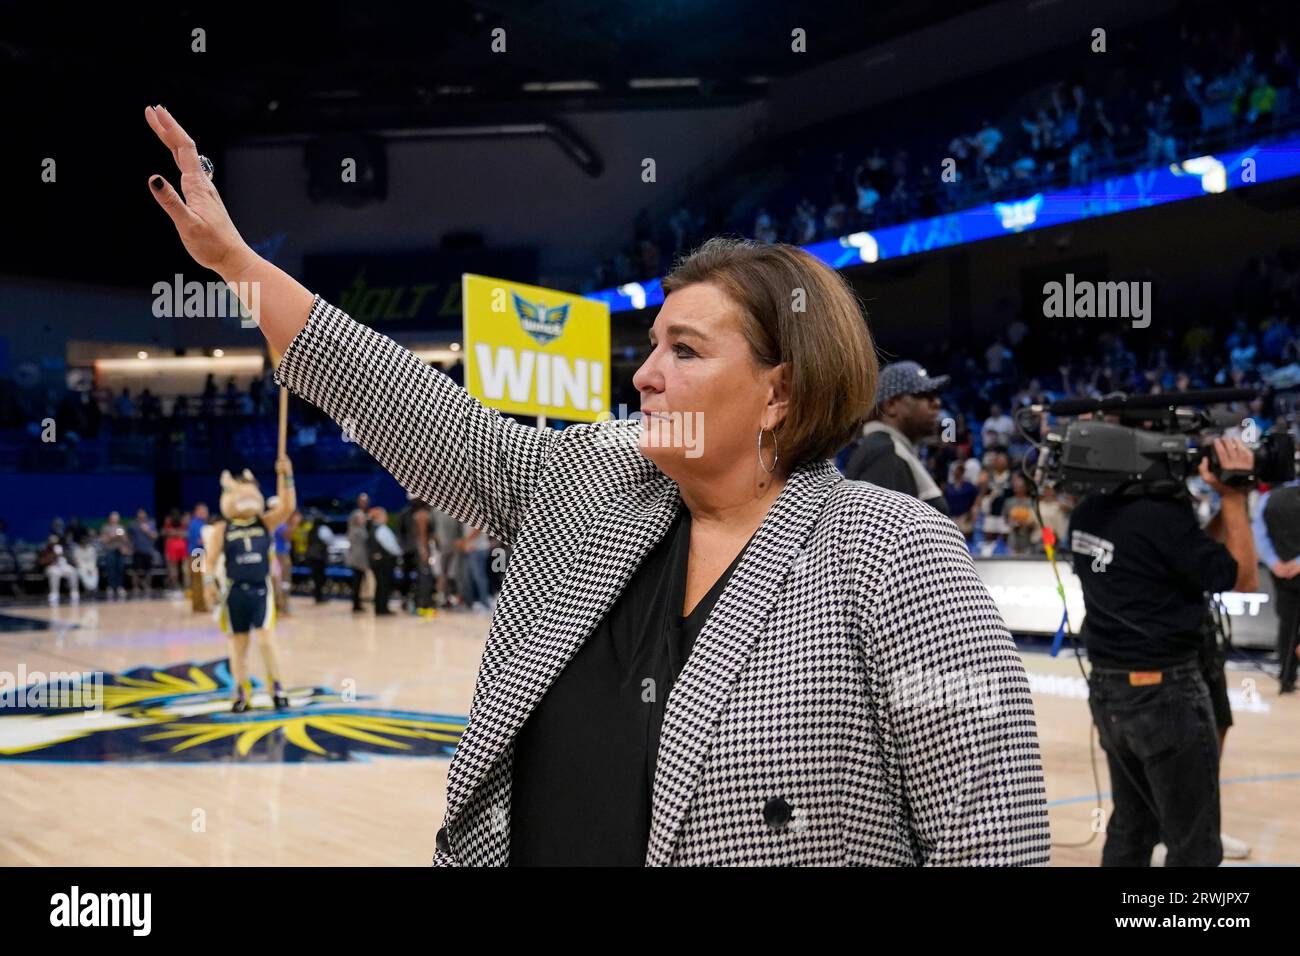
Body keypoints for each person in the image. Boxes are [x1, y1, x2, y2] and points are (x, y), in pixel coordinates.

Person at [147, 106, 1050, 866]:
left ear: (780, 391)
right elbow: (408, 403)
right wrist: (241, 269)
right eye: (652, 345)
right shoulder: (587, 485)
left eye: (685, 350)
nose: (645, 374)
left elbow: (989, 834)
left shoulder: (891, 550)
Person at [1067, 437, 1259, 867]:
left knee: (1131, 827)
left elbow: (1186, 554)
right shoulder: (1161, 518)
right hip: (1165, 692)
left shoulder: (1088, 513)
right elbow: (1244, 578)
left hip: (1109, 689)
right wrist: (1233, 496)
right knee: (1193, 842)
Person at [203, 458, 296, 712]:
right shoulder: (223, 528)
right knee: (238, 646)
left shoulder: (264, 522)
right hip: (234, 592)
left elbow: (287, 507)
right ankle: (241, 692)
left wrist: (287, 476)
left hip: (260, 590)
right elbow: (209, 560)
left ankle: (276, 686)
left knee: (267, 641)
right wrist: (208, 581)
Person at [840, 360, 951, 515]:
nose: (936, 403)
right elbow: (878, 536)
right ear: (890, 405)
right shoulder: (885, 453)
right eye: (923, 394)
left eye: (936, 395)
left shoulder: (888, 448)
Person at [1252, 475, 1300, 693]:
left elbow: (1259, 535)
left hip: (1281, 572)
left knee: (1287, 624)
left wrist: (1274, 562)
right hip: (1292, 569)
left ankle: (1287, 676)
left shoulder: (1268, 498)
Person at [368, 506, 401, 616]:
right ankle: (383, 609)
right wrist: (399, 553)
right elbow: (390, 546)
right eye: (385, 515)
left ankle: (379, 607)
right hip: (384, 562)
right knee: (384, 585)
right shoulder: (382, 529)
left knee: (379, 585)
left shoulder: (373, 528)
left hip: (375, 561)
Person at [39, 535, 79, 605]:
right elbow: (41, 562)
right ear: (49, 542)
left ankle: (74, 592)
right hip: (51, 567)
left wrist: (63, 555)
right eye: (52, 542)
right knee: (55, 573)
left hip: (63, 566)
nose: (54, 543)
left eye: (55, 542)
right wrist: (54, 555)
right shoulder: (45, 550)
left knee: (73, 571)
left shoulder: (61, 548)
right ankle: (54, 594)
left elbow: (68, 560)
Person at [99, 511, 131, 600]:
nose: (114, 519)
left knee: (120, 568)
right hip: (110, 550)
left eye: (116, 518)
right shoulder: (105, 527)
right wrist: (113, 536)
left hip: (120, 551)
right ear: (110, 519)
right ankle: (111, 587)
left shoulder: (121, 527)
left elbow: (126, 540)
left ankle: (119, 586)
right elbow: (103, 540)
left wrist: (122, 538)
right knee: (111, 568)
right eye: (113, 518)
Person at [304, 509, 333, 603]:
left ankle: (318, 596)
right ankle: (319, 597)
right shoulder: (323, 529)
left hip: (310, 556)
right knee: (320, 578)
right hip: (319, 557)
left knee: (316, 578)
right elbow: (330, 540)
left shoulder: (311, 530)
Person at [128, 508, 158, 598]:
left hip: (148, 551)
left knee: (149, 570)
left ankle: (147, 586)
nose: (141, 516)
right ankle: (135, 587)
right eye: (140, 514)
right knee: (136, 571)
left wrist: (147, 530)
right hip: (137, 551)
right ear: (137, 515)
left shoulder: (151, 524)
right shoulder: (132, 525)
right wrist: (130, 547)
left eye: (143, 514)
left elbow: (155, 536)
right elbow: (128, 536)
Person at [346, 508, 370, 614]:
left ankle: (357, 603)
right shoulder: (358, 531)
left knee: (358, 584)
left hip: (356, 560)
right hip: (358, 560)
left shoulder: (354, 530)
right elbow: (360, 549)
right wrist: (362, 564)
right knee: (357, 584)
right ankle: (356, 605)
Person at [188, 502, 209, 611]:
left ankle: (200, 604)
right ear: (197, 512)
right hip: (197, 553)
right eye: (203, 511)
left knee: (200, 580)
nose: (206, 513)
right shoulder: (196, 524)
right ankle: (198, 606)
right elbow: (199, 540)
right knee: (197, 580)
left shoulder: (201, 523)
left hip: (199, 553)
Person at [162, 509, 188, 593]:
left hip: (172, 545)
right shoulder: (182, 521)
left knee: (173, 567)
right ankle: (185, 584)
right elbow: (184, 533)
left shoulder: (168, 520)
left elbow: (166, 532)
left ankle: (175, 585)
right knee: (184, 566)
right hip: (181, 544)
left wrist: (172, 533)